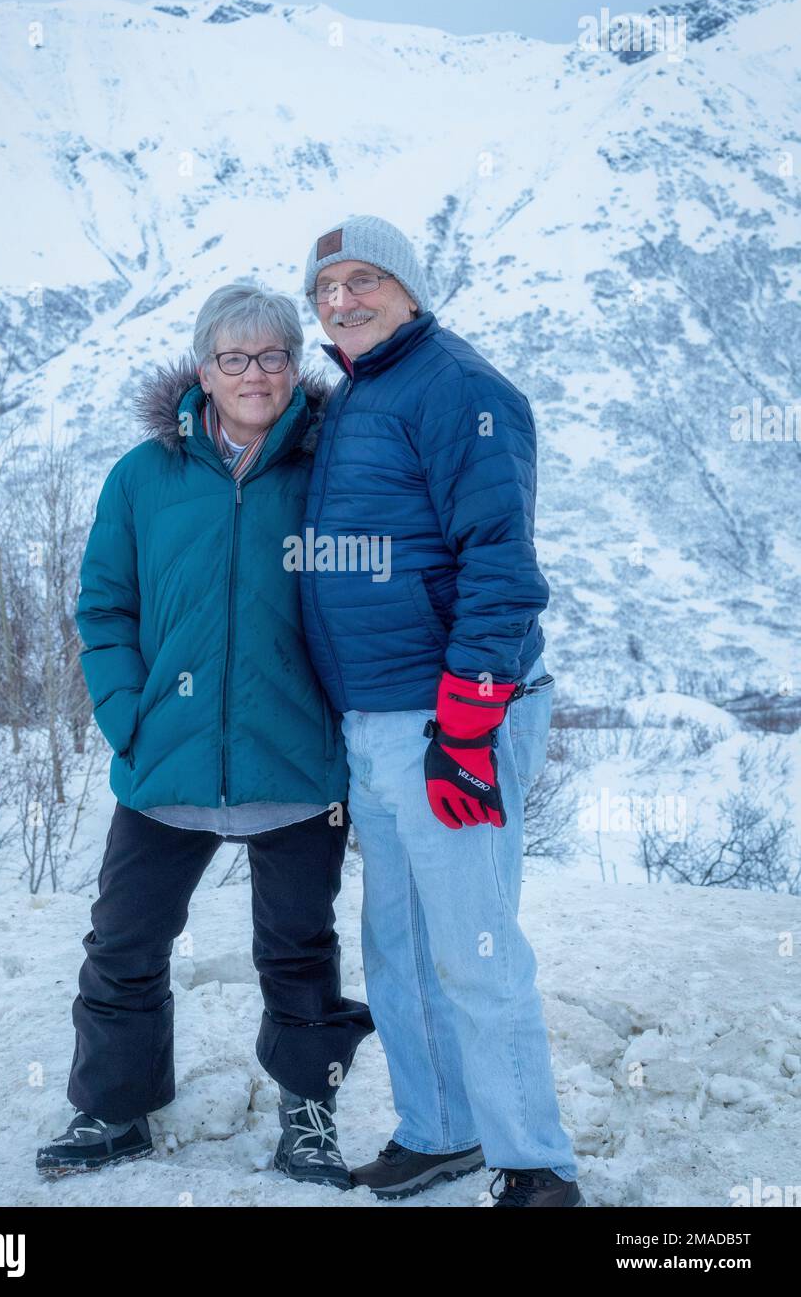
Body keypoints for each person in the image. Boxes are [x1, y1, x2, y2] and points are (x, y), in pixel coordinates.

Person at [36, 281, 374, 1188]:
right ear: (204, 368)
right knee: (123, 941)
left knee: (300, 949)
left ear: (294, 364)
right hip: (169, 755)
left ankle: (307, 1115)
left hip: (296, 756)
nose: (255, 374)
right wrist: (127, 717)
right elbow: (104, 607)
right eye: (235, 358)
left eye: (272, 356)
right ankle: (113, 1111)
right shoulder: (144, 474)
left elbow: (367, 595)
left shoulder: (331, 463)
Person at [298, 215, 584, 1207]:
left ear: (410, 288)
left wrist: (464, 729)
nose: (343, 299)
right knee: (402, 947)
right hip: (377, 723)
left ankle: (536, 1163)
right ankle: (443, 1130)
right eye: (327, 287)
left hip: (453, 718)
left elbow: (502, 573)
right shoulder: (357, 394)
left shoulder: (462, 389)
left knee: (474, 945)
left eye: (364, 278)